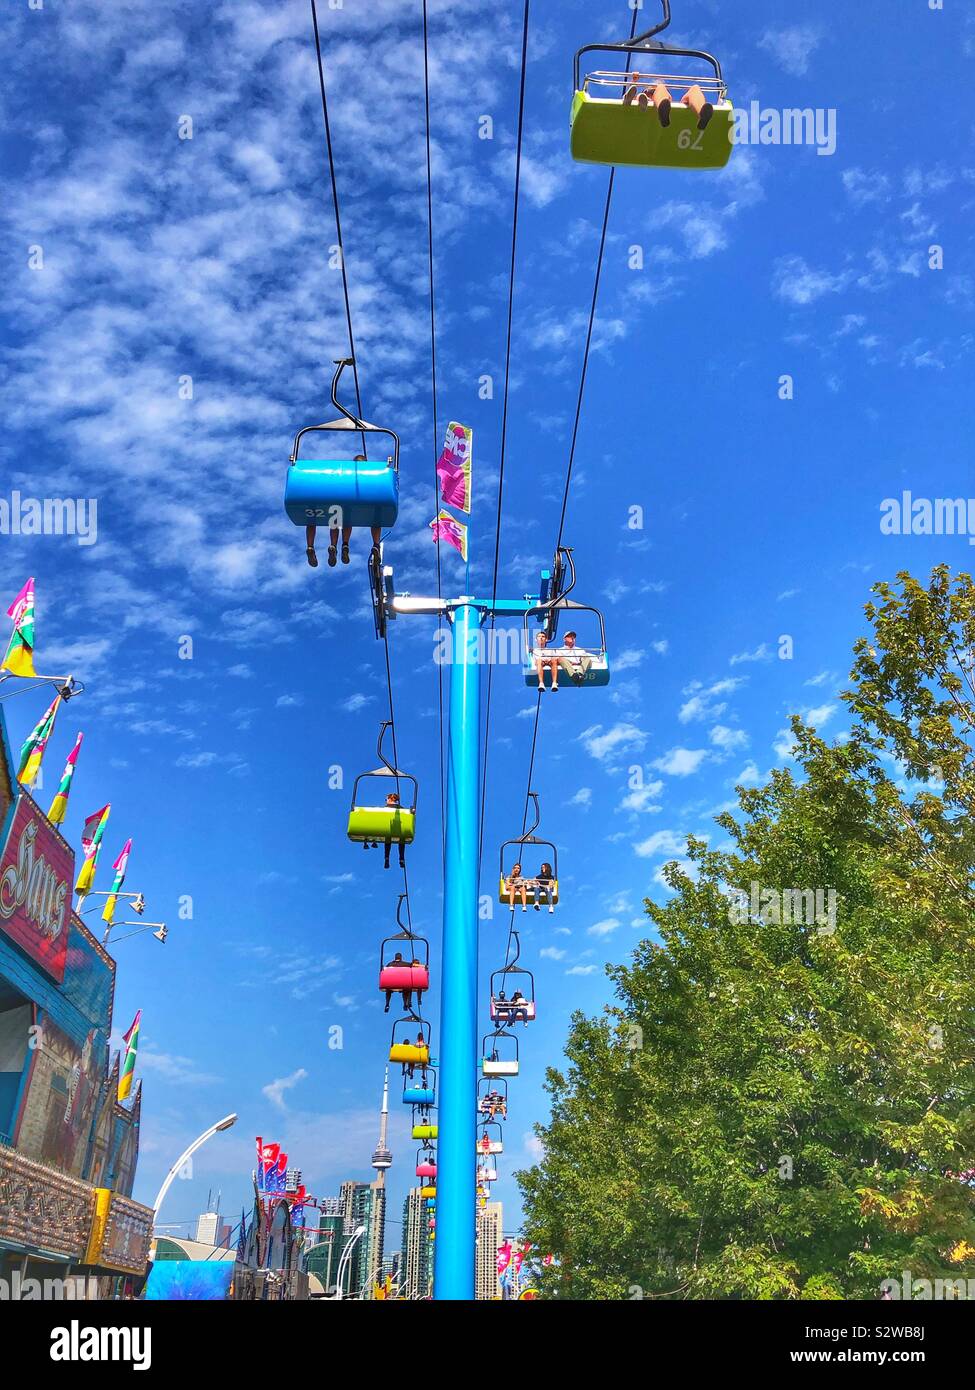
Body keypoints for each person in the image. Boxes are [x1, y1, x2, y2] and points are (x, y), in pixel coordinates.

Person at [305, 455, 383, 568]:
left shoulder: (347, 474)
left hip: (342, 500)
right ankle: (370, 545)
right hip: (361, 500)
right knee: (373, 519)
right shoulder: (369, 475)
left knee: (330, 518)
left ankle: (319, 546)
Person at [622, 74, 714, 131]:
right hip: (639, 108)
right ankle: (640, 102)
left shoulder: (666, 97)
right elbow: (631, 92)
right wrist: (634, 81)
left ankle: (701, 114)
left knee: (695, 88)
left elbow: (661, 91)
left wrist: (659, 92)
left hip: (664, 108)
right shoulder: (640, 97)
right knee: (639, 97)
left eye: (653, 92)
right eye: (648, 92)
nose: (651, 94)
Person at [382, 791, 406, 870]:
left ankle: (386, 858)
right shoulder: (401, 809)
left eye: (386, 800)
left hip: (388, 828)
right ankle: (401, 859)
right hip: (399, 829)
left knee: (387, 840)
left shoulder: (385, 809)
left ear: (389, 799)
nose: (386, 801)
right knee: (401, 841)